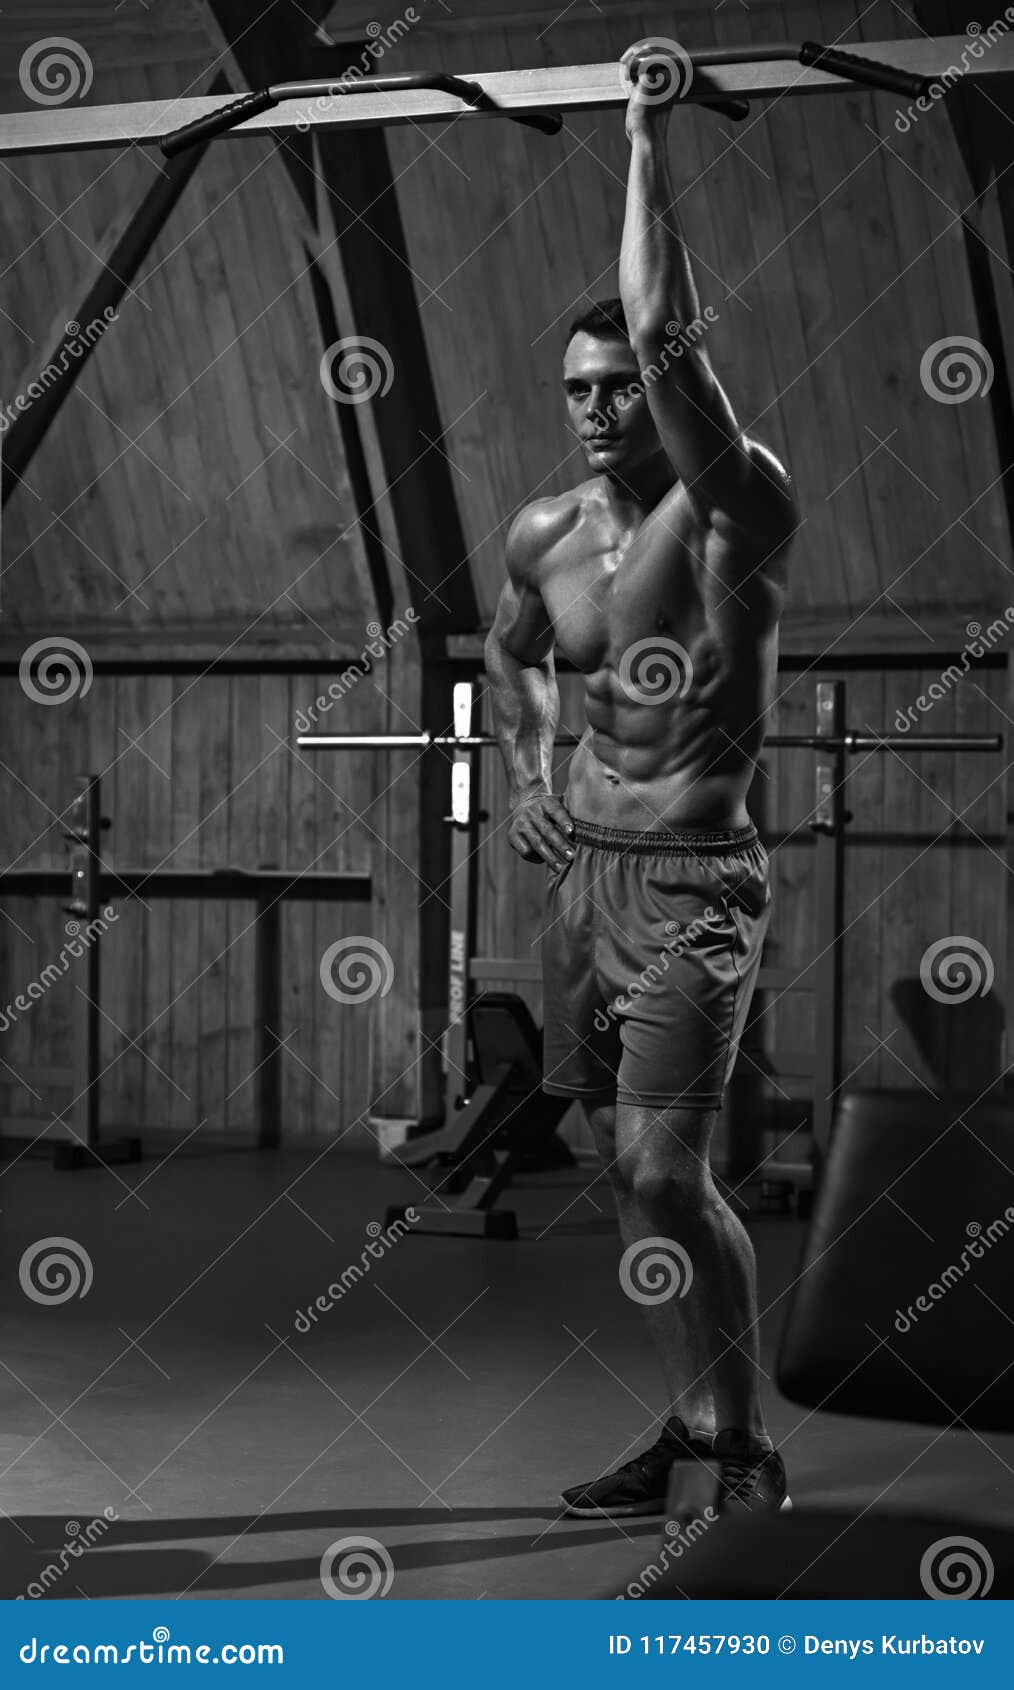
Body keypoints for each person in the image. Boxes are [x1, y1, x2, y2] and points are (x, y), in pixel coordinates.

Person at [483, 63, 799, 1521]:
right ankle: (694, 1423)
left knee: (666, 1172)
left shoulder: (734, 501)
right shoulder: (544, 530)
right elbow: (508, 654)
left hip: (692, 888)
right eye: (578, 389)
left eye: (620, 385)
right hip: (585, 882)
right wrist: (529, 770)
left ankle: (743, 1448)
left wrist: (639, 133)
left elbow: (665, 324)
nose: (601, 406)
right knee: (629, 1181)